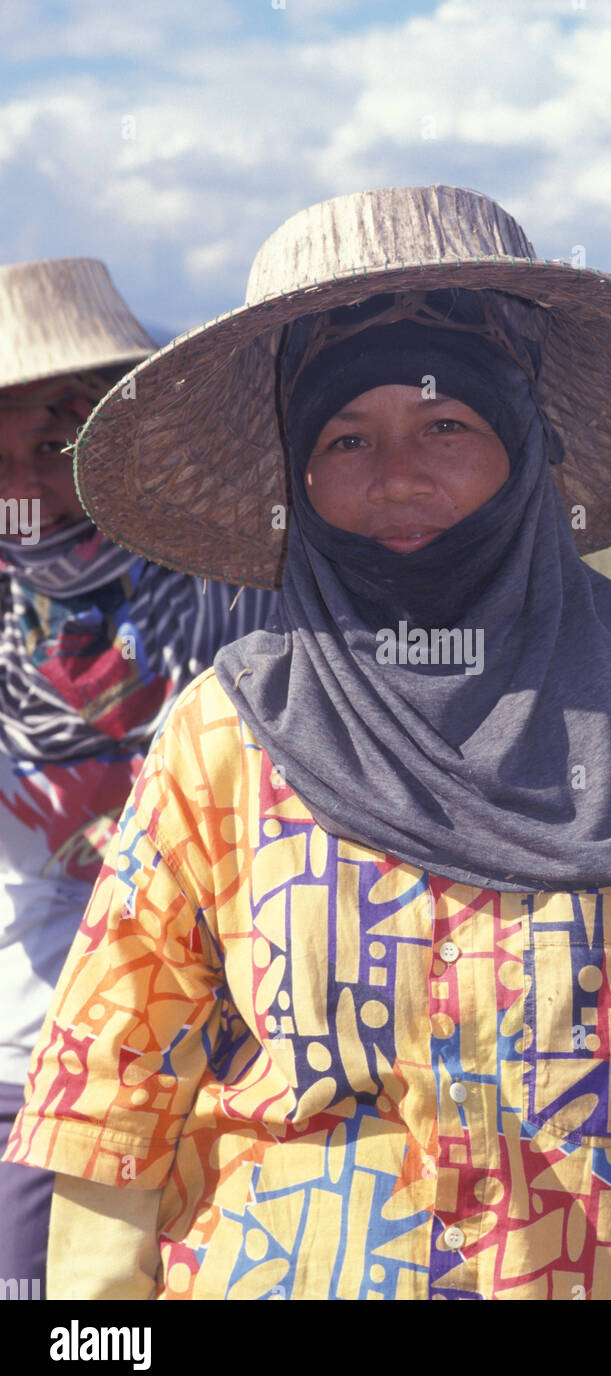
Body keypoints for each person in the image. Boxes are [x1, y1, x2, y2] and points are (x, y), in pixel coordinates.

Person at [5, 187, 611, 1301]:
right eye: (345, 437)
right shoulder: (227, 728)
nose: (395, 475)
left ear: (524, 442)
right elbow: (116, 1068)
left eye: (445, 426)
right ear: (297, 478)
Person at [0, 257, 282, 1296]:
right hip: (39, 1050)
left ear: (121, 438)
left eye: (57, 443)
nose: (24, 490)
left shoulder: (244, 583)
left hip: (245, 1042)